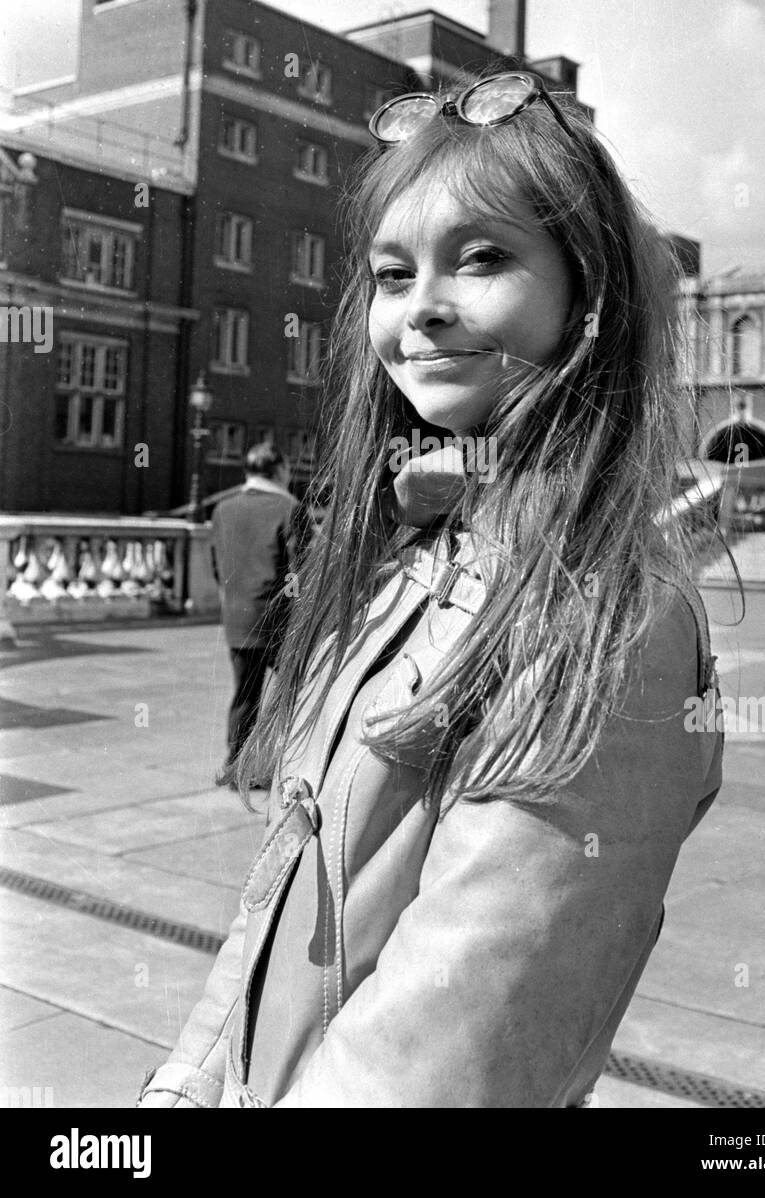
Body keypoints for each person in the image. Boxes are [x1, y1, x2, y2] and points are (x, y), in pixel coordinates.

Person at [138, 70, 724, 1109]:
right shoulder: (408, 552)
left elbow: (450, 1042)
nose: (422, 311)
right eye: (393, 273)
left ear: (587, 294)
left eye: (484, 258)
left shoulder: (606, 610)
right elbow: (273, 913)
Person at [209, 442, 310, 776]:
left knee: (245, 694)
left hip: (237, 616)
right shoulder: (289, 508)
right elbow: (301, 568)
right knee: (297, 689)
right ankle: (289, 763)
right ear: (279, 470)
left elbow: (216, 566)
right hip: (280, 618)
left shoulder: (223, 509)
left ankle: (235, 764)